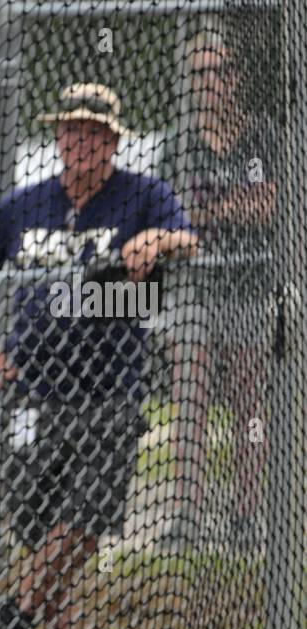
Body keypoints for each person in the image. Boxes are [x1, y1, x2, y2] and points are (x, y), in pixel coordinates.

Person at [0, 84, 198, 629]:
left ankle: (13, 613)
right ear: (58, 138)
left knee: (90, 511)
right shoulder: (26, 204)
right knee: (33, 515)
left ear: (114, 141)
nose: (81, 142)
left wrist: (155, 240)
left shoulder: (143, 195)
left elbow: (187, 240)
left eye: (94, 133)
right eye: (71, 131)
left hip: (110, 386)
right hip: (31, 386)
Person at [156, 30, 278, 551]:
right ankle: (186, 515)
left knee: (250, 406)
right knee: (192, 397)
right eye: (203, 73)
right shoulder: (182, 146)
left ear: (237, 77)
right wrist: (228, 210)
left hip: (248, 286)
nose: (214, 83)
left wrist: (215, 211)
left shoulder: (258, 139)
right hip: (195, 289)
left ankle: (247, 516)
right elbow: (172, 223)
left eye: (222, 71)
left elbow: (268, 204)